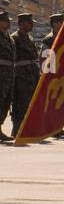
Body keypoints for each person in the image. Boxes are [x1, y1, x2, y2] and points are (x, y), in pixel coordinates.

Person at [9, 12, 38, 137]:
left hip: (31, 75)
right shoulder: (15, 38)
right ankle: (16, 130)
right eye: (29, 23)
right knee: (19, 103)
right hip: (20, 76)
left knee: (28, 104)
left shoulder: (29, 38)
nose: (32, 25)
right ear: (22, 24)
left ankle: (25, 129)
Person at [0, 11, 14, 142]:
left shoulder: (8, 37)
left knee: (5, 103)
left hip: (8, 76)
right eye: (6, 20)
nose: (9, 23)